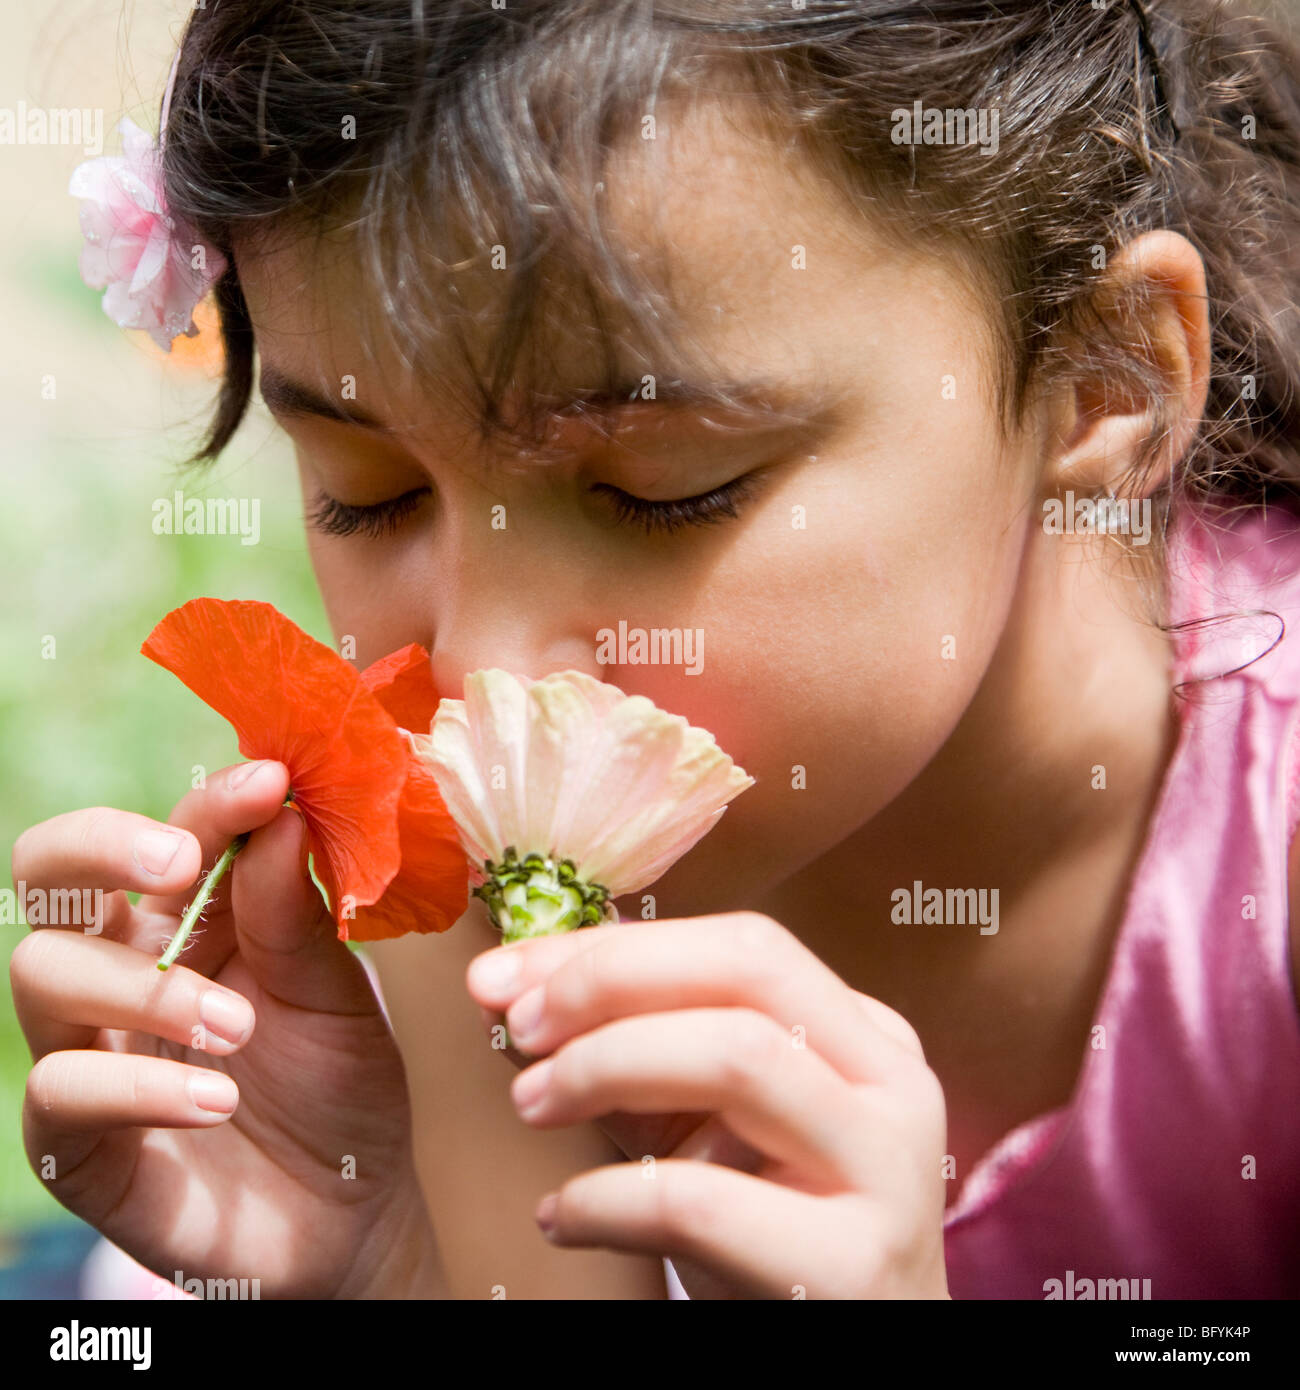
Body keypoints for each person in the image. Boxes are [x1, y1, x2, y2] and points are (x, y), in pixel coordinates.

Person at [13, 0, 1300, 1299]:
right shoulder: (471, 838)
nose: (478, 665)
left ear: (1106, 379)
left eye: (662, 492)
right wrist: (396, 1262)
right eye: (369, 489)